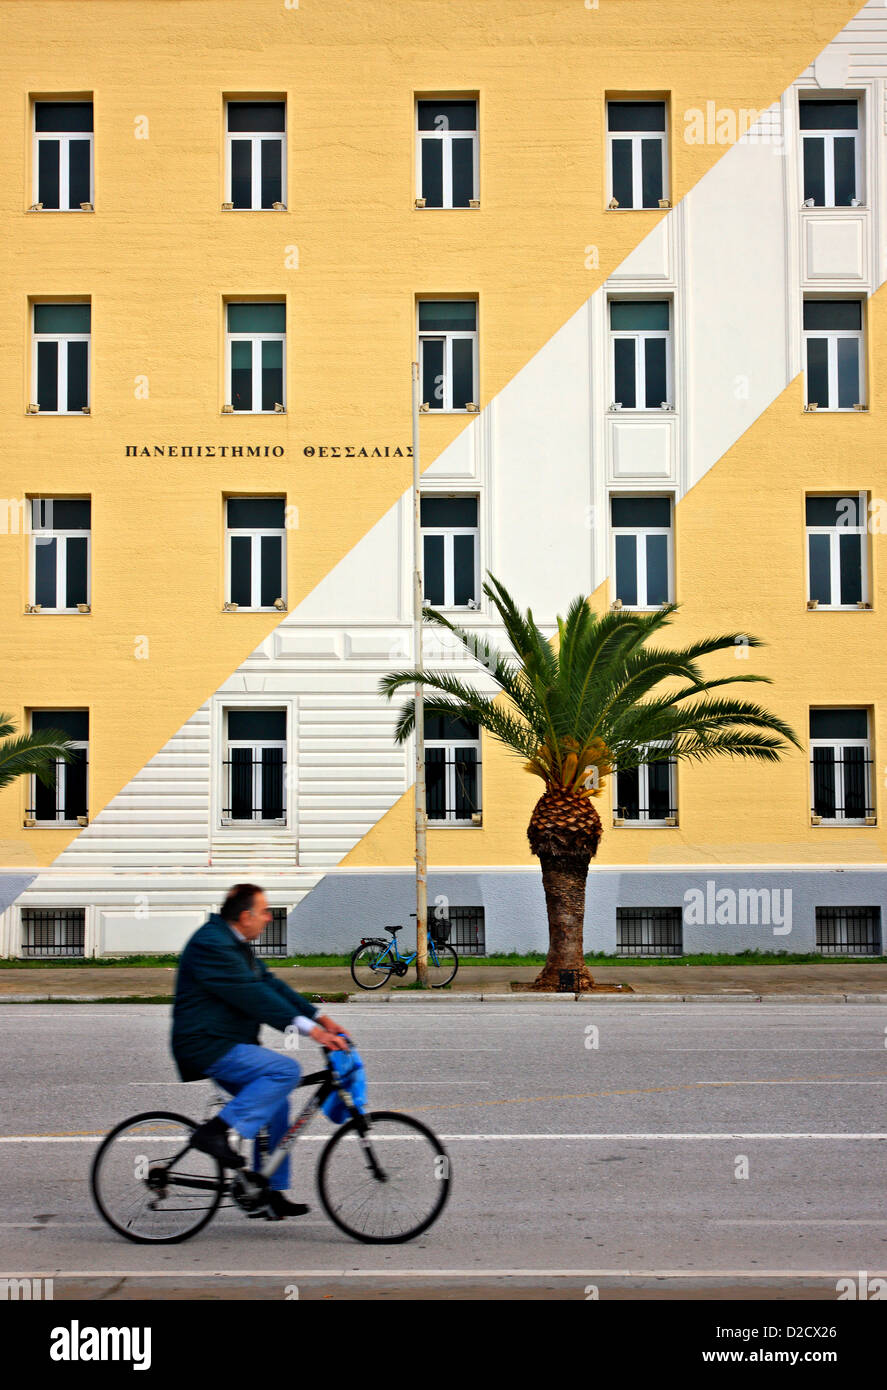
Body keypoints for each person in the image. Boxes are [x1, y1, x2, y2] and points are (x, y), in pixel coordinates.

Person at [171, 883, 349, 1220]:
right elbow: (254, 996)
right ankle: (216, 1133)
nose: (268, 918)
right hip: (206, 1043)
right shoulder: (213, 945)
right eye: (264, 911)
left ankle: (269, 1191)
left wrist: (320, 1017)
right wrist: (314, 1033)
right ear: (244, 916)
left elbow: (271, 985)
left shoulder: (234, 944)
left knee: (277, 1104)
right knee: (284, 1072)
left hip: (224, 1041)